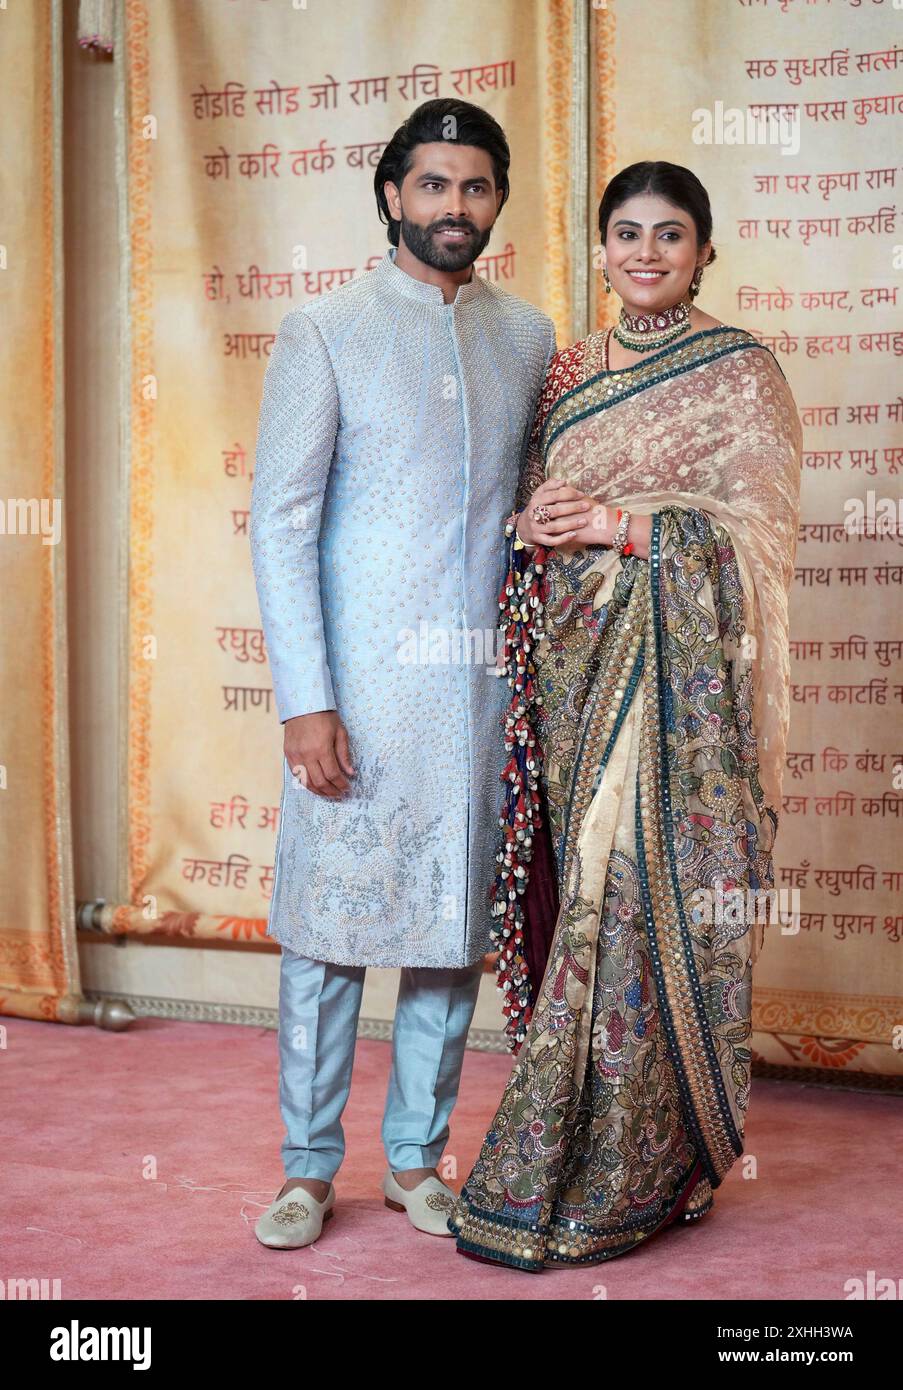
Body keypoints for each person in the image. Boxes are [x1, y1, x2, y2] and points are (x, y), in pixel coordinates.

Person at [447, 161, 803, 1271]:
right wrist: (543, 521)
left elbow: (759, 546)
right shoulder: (561, 376)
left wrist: (627, 523)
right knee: (585, 899)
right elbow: (520, 522)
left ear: (706, 251)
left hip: (676, 694)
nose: (646, 252)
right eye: (626, 233)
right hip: (574, 673)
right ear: (601, 247)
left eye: (671, 234)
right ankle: (587, 1138)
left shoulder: (742, 374)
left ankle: (650, 1159)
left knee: (635, 892)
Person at [249, 99, 556, 1248]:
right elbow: (280, 523)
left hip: (476, 698)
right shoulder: (324, 330)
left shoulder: (526, 337)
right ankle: (305, 1168)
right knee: (327, 937)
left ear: (495, 201)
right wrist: (306, 701)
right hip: (358, 699)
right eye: (433, 186)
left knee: (446, 931)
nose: (454, 208)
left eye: (475, 188)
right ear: (392, 196)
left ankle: (418, 1161)